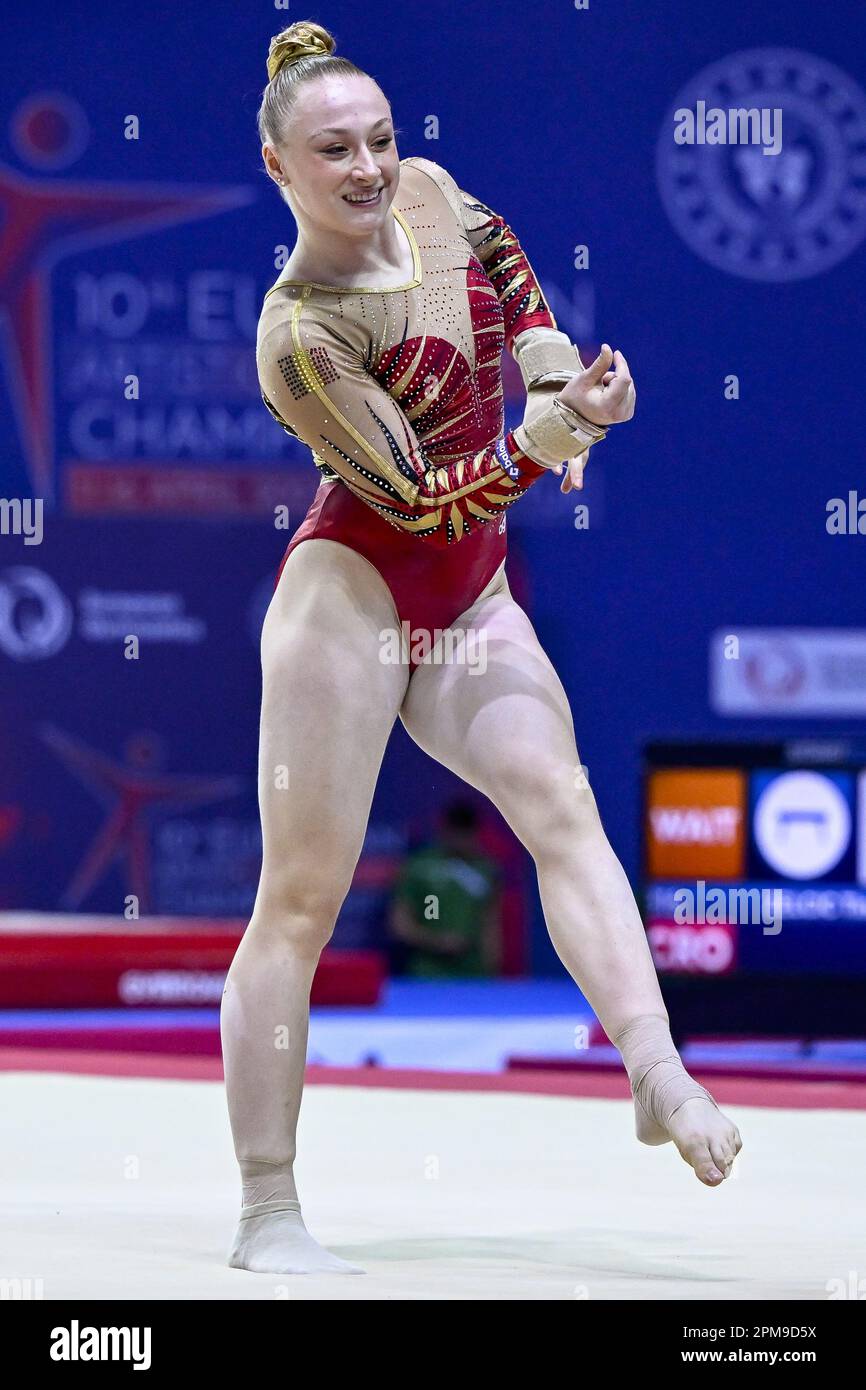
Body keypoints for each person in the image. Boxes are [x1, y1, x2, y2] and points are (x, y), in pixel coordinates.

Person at [219, 19, 742, 1277]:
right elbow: (415, 501)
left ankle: (654, 1067)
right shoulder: (299, 336)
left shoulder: (430, 194)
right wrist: (550, 440)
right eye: (333, 150)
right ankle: (266, 1207)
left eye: (380, 140)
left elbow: (500, 257)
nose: (367, 168)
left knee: (560, 802)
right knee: (297, 899)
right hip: (354, 593)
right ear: (279, 169)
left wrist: (553, 362)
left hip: (467, 593)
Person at [388, 799, 501, 978]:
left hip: (474, 975)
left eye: (467, 835)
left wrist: (492, 971)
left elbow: (490, 925)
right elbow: (400, 925)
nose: (461, 841)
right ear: (445, 830)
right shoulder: (420, 867)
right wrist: (438, 942)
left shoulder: (485, 870)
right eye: (457, 833)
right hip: (427, 974)